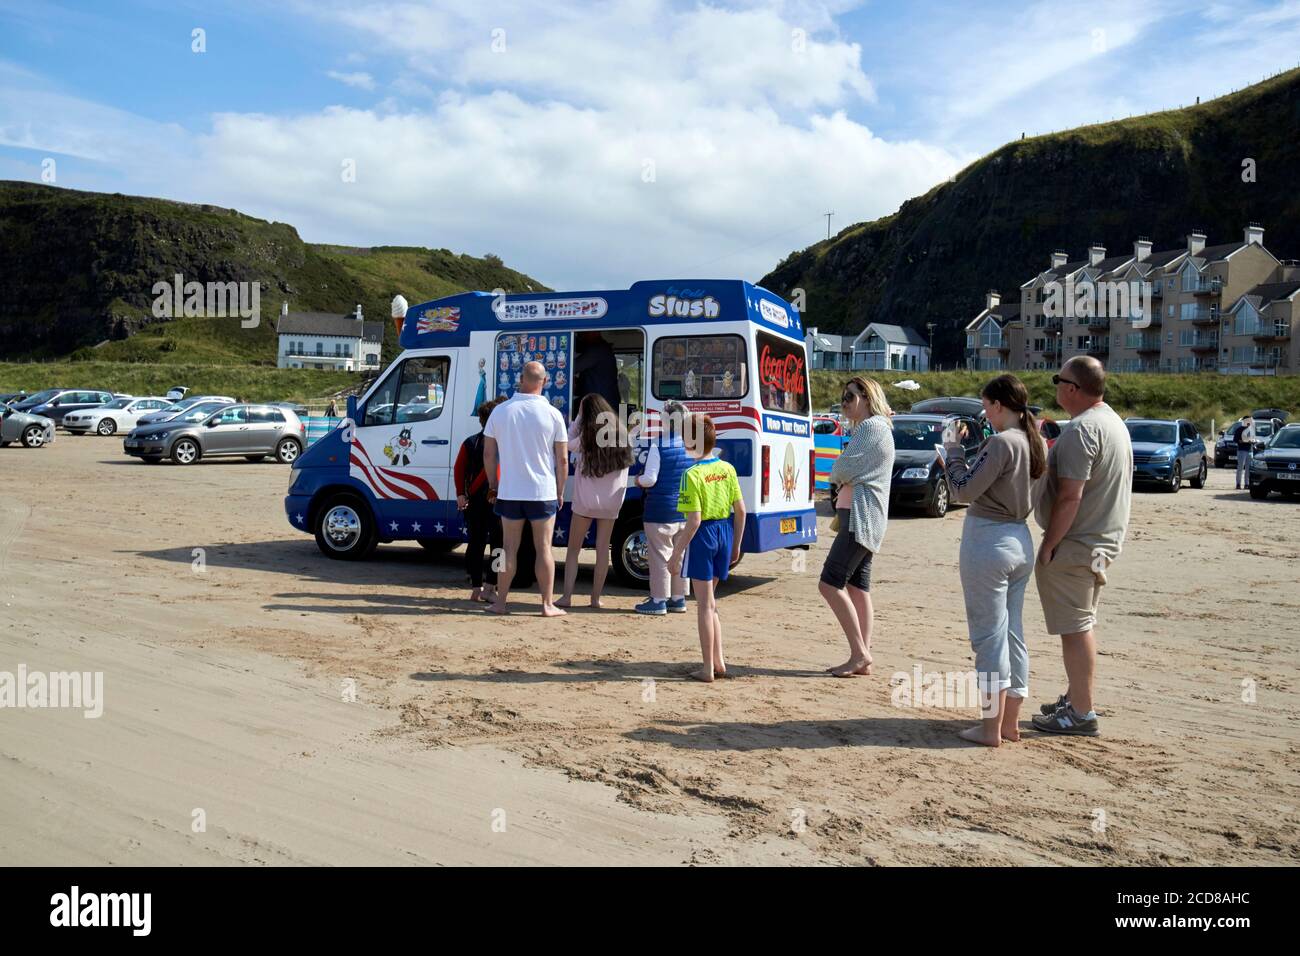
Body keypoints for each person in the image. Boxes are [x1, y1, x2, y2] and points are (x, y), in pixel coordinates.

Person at [1031, 356, 1133, 736]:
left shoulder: (1082, 430)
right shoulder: (1112, 422)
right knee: (1081, 624)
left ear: (1072, 388)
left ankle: (1081, 712)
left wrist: (1049, 544)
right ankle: (1076, 699)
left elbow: (1070, 497)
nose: (1055, 385)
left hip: (1076, 544)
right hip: (1098, 543)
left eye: (1059, 379)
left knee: (1075, 629)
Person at [943, 374, 1046, 746]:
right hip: (1020, 539)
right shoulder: (1035, 442)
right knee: (1013, 633)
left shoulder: (1002, 442)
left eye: (986, 406)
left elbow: (962, 490)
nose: (985, 413)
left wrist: (952, 450)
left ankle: (990, 728)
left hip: (989, 541)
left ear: (999, 405)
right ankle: (1008, 723)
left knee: (989, 637)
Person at [483, 362, 569, 617]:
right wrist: (560, 490)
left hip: (510, 490)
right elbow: (562, 460)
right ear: (545, 381)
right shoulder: (553, 414)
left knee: (508, 548)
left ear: (520, 379)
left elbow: (489, 454)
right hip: (542, 492)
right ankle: (546, 604)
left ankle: (500, 602)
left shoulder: (500, 412)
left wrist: (493, 485)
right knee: (544, 548)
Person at [821, 377, 893, 677]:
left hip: (860, 518)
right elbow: (847, 471)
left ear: (866, 397)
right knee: (858, 588)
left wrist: (841, 475)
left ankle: (859, 654)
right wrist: (844, 475)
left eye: (850, 397)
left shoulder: (870, 427)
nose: (845, 402)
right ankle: (865, 655)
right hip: (866, 518)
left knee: (829, 583)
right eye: (843, 397)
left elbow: (841, 469)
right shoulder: (879, 428)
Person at [670, 415, 745, 683]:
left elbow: (694, 521)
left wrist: (676, 553)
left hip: (704, 536)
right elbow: (741, 511)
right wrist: (736, 544)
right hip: (725, 532)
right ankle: (718, 661)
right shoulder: (727, 468)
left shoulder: (691, 474)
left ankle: (707, 669)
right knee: (711, 603)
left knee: (703, 606)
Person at [557, 393, 633, 608]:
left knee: (573, 550)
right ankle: (596, 599)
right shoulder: (622, 434)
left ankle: (567, 597)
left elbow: (565, 441)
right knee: (602, 550)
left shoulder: (585, 439)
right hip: (611, 503)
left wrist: (578, 419)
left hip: (585, 503)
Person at [634, 401, 692, 615]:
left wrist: (638, 480)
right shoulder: (689, 445)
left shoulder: (659, 444)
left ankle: (658, 600)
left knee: (660, 555)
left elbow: (650, 479)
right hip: (684, 509)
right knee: (679, 554)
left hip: (661, 508)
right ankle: (678, 598)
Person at [456, 397, 505, 604]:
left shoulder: (470, 442)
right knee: (499, 547)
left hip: (474, 501)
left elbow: (458, 469)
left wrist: (460, 494)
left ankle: (476, 588)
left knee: (475, 544)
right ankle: (490, 586)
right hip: (498, 500)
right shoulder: (505, 443)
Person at [573, 331, 620, 411]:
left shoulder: (597, 349)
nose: (582, 337)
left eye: (583, 334)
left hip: (600, 405)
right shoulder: (602, 349)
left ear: (595, 333)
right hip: (603, 403)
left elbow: (573, 367)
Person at [1235, 414, 1256, 490]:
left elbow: (1254, 439)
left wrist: (1253, 441)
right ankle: (1238, 484)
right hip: (1241, 450)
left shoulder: (1252, 430)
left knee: (1248, 469)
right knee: (1240, 468)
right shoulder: (1239, 429)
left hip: (1250, 451)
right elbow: (1235, 439)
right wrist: (1241, 441)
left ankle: (1247, 484)